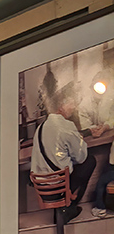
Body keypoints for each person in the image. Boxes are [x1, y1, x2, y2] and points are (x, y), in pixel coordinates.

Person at [30, 83, 96, 223]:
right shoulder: (67, 126)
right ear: (61, 106)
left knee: (63, 165)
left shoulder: (41, 127)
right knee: (90, 161)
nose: (74, 107)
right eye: (71, 103)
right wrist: (80, 140)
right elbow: (81, 157)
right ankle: (68, 208)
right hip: (60, 189)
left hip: (44, 190)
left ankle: (60, 211)